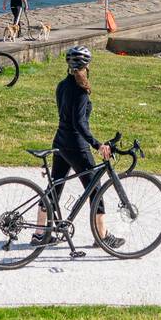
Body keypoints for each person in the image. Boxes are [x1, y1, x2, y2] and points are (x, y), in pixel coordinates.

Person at [33, 45, 124, 249]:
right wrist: (98, 145)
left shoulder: (62, 86)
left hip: (60, 142)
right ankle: (102, 236)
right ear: (87, 66)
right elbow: (79, 123)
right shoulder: (81, 91)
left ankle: (40, 233)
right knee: (95, 189)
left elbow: (65, 118)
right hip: (76, 146)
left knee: (55, 186)